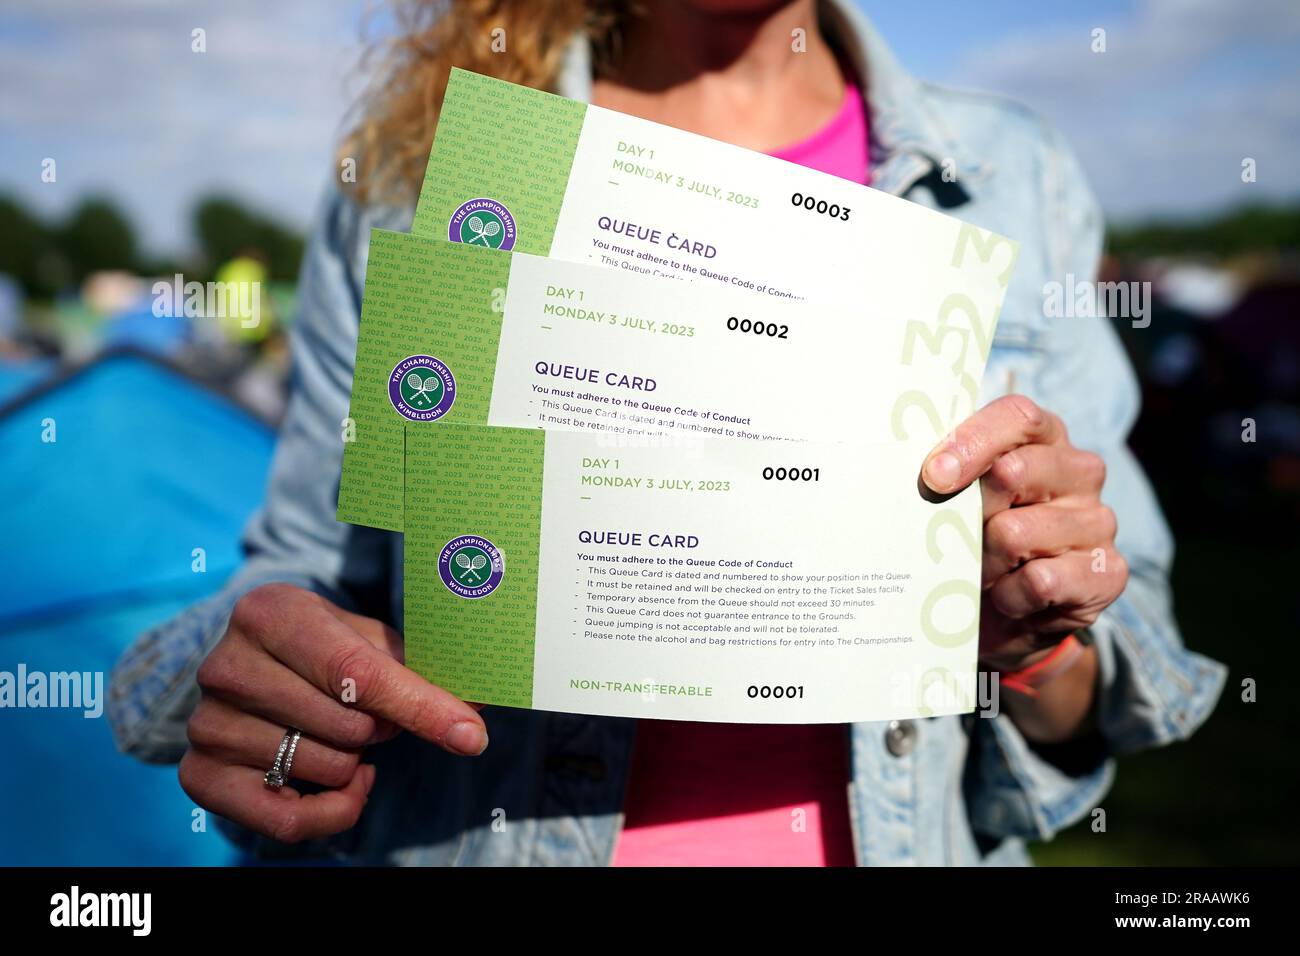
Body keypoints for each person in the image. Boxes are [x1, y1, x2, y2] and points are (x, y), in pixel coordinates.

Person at [109, 0, 1225, 865]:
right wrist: (272, 678)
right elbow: (306, 569)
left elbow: (1128, 660)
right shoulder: (428, 156)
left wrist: (1038, 639)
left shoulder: (1012, 172)